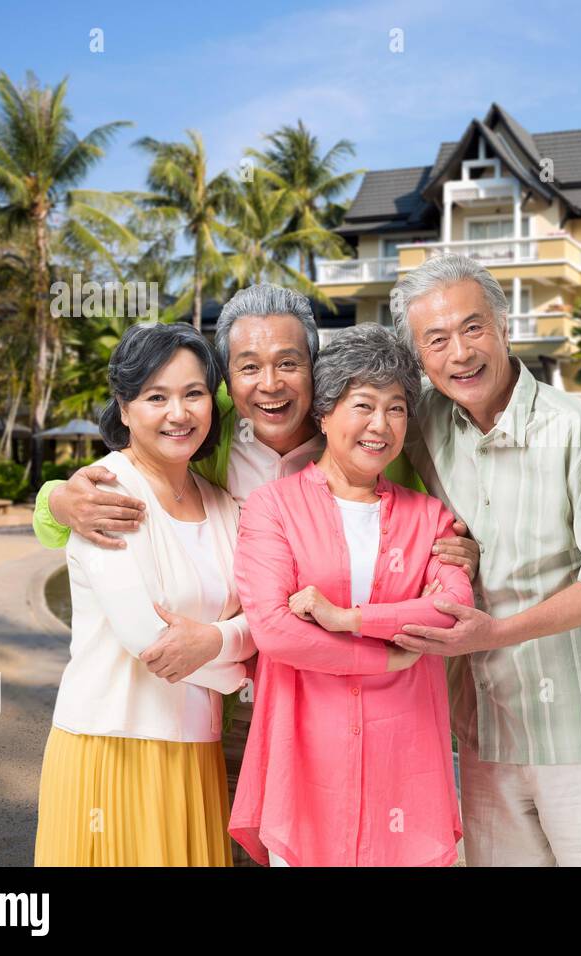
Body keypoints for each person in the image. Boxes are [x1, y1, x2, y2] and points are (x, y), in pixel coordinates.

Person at [28, 285, 479, 862]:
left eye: (289, 363)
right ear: (227, 381)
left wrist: (463, 552)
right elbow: (112, 497)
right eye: (248, 367)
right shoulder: (203, 436)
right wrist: (56, 500)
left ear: (314, 371)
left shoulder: (369, 445)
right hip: (220, 712)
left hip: (329, 712)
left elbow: (428, 547)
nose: (269, 384)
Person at [388, 254, 581, 866]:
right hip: (486, 737)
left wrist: (495, 633)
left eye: (474, 328)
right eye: (437, 340)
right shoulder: (421, 423)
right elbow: (338, 427)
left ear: (505, 327)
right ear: (419, 357)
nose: (460, 353)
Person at [230, 324, 472, 866]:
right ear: (324, 413)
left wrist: (347, 619)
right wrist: (388, 654)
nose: (380, 425)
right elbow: (275, 631)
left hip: (404, 762)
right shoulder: (273, 508)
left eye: (396, 409)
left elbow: (453, 614)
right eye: (363, 405)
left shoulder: (428, 515)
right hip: (306, 762)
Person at [34, 322, 255, 866]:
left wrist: (216, 641)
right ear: (125, 408)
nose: (179, 413)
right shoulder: (105, 494)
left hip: (195, 752)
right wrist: (237, 664)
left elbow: (261, 616)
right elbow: (152, 644)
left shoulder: (223, 504)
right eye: (156, 397)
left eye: (194, 393)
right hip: (113, 744)